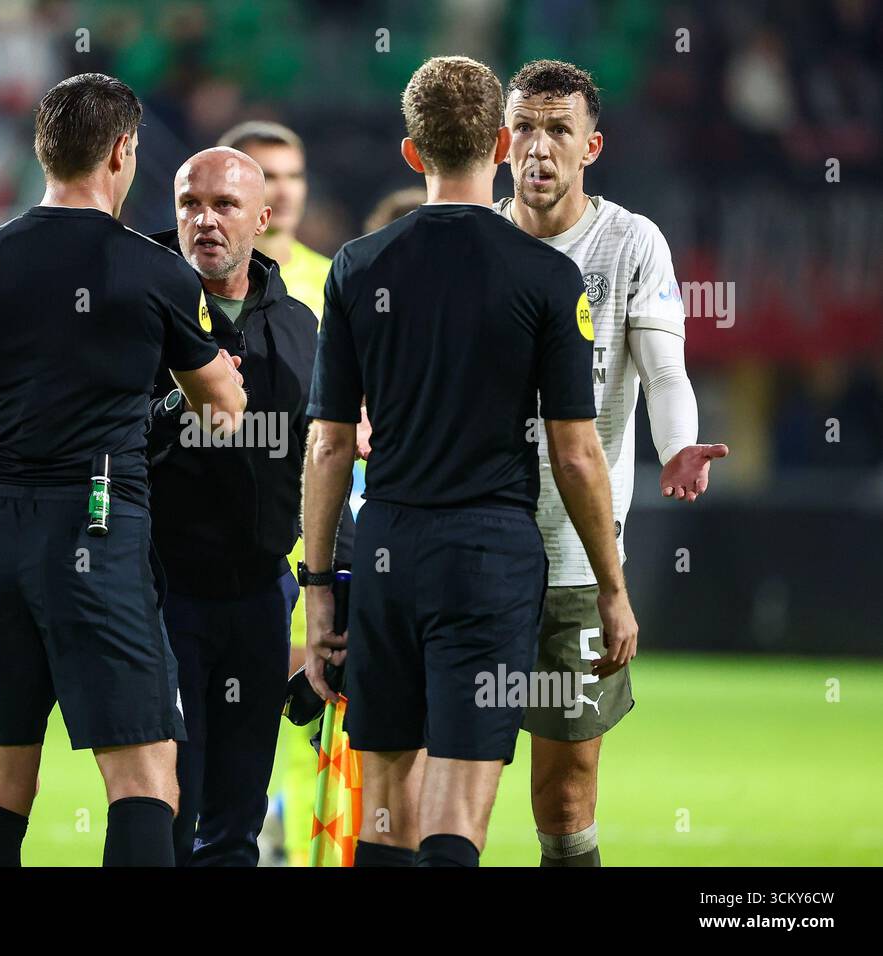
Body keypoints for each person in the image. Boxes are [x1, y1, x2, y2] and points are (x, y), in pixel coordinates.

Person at [0, 73, 246, 867]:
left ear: (44, 151)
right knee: (148, 777)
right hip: (98, 526)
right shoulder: (155, 272)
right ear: (122, 152)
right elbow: (223, 407)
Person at [301, 55, 638, 867]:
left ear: (412, 152)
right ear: (498, 142)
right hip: (490, 557)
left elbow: (330, 444)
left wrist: (318, 591)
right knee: (460, 806)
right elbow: (577, 454)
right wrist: (612, 589)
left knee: (382, 807)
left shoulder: (357, 267)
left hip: (388, 550)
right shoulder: (549, 278)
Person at [495, 59, 728, 866]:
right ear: (500, 141)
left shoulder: (632, 244)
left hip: (575, 562)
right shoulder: (477, 242)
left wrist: (678, 445)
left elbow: (664, 372)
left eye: (558, 129)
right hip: (470, 552)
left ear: (591, 145)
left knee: (565, 791)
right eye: (524, 126)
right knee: (444, 774)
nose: (539, 146)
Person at [145, 147, 351, 865]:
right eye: (189, 204)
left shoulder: (298, 327)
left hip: (261, 599)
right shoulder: (138, 311)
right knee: (163, 808)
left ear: (263, 220)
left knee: (237, 821)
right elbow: (99, 446)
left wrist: (340, 583)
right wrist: (182, 400)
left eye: (224, 206)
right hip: (163, 597)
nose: (204, 220)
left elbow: (318, 465)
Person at [217, 122, 332, 323]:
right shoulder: (193, 278)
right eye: (267, 177)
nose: (285, 192)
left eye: (294, 176)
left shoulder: (332, 278)